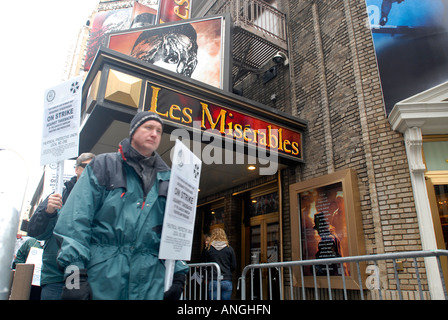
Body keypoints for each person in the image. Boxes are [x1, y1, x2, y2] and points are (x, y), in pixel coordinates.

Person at [53, 111, 188, 300]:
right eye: (148, 127)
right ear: (133, 131)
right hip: (102, 280)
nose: (155, 134)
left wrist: (179, 274)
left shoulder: (170, 179)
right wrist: (74, 279)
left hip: (150, 284)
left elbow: (178, 231)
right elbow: (74, 223)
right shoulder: (103, 166)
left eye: (159, 130)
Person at [27, 153, 95, 300]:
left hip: (86, 276)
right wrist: (48, 213)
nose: (91, 171)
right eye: (86, 167)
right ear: (76, 169)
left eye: (95, 168)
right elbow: (35, 233)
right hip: (56, 276)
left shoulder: (101, 199)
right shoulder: (58, 196)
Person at [203, 228, 236, 300]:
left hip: (213, 279)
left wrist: (207, 276)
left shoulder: (209, 249)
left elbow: (206, 265)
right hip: (226, 279)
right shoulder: (229, 249)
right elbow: (234, 266)